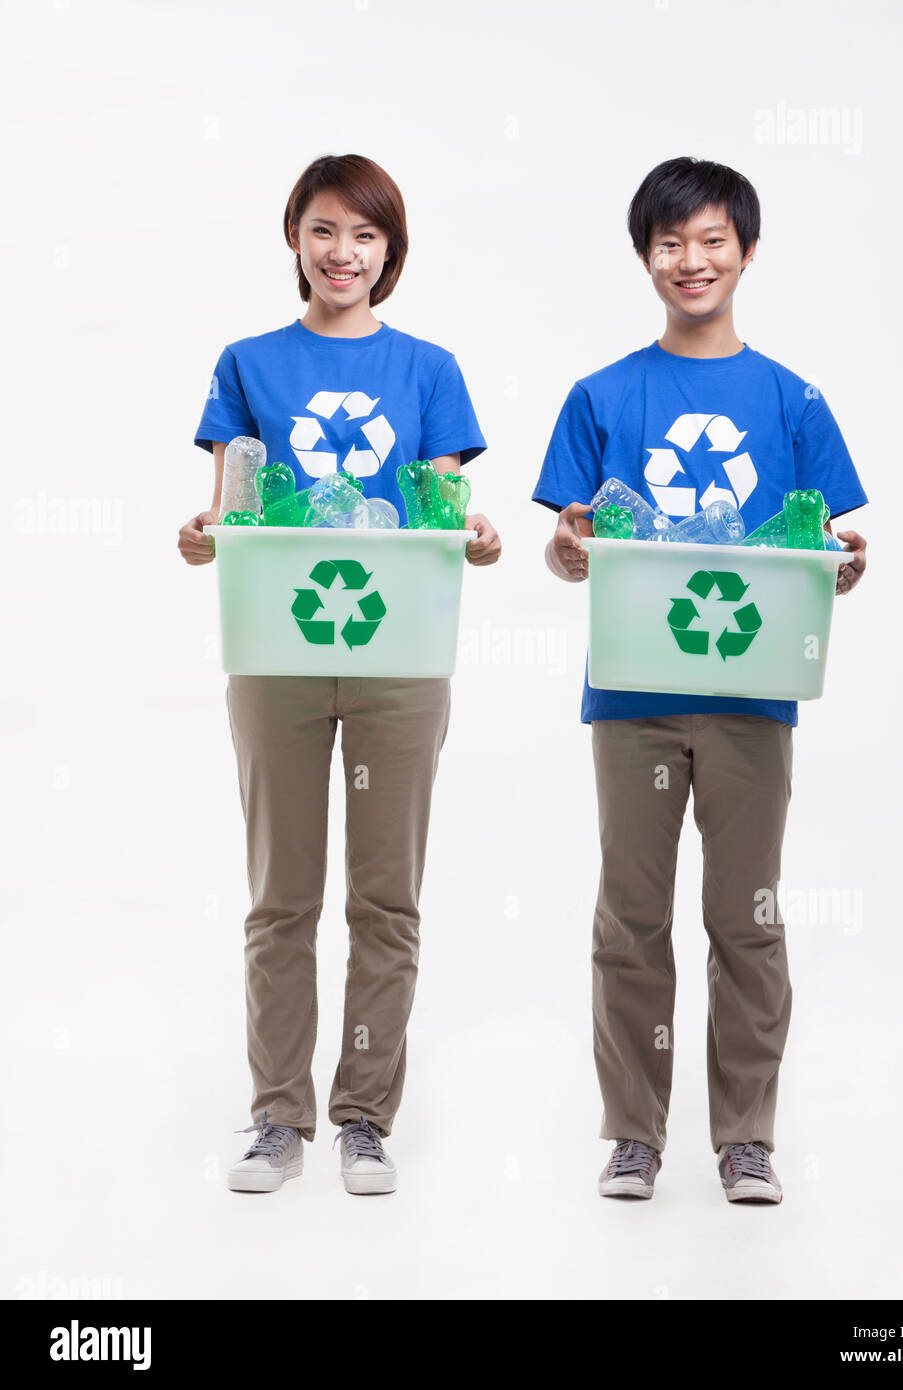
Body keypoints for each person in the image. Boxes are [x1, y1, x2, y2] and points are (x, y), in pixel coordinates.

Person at [532, 157, 868, 1203]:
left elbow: (824, 546)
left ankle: (744, 1137)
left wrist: (845, 566)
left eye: (712, 239)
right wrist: (567, 549)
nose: (692, 260)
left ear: (746, 251)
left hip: (751, 697)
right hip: (629, 698)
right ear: (644, 256)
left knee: (746, 915)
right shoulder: (600, 394)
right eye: (670, 243)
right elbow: (564, 542)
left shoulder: (793, 399)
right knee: (628, 917)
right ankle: (632, 1131)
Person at [179, 153, 501, 1195]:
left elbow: (444, 506)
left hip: (399, 653)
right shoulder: (247, 362)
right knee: (281, 895)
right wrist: (203, 533)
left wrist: (477, 536)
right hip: (274, 649)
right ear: (293, 239)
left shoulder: (429, 369)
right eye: (323, 230)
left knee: (384, 895)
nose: (342, 253)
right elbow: (229, 499)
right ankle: (279, 1115)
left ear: (390, 252)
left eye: (365, 235)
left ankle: (364, 1112)